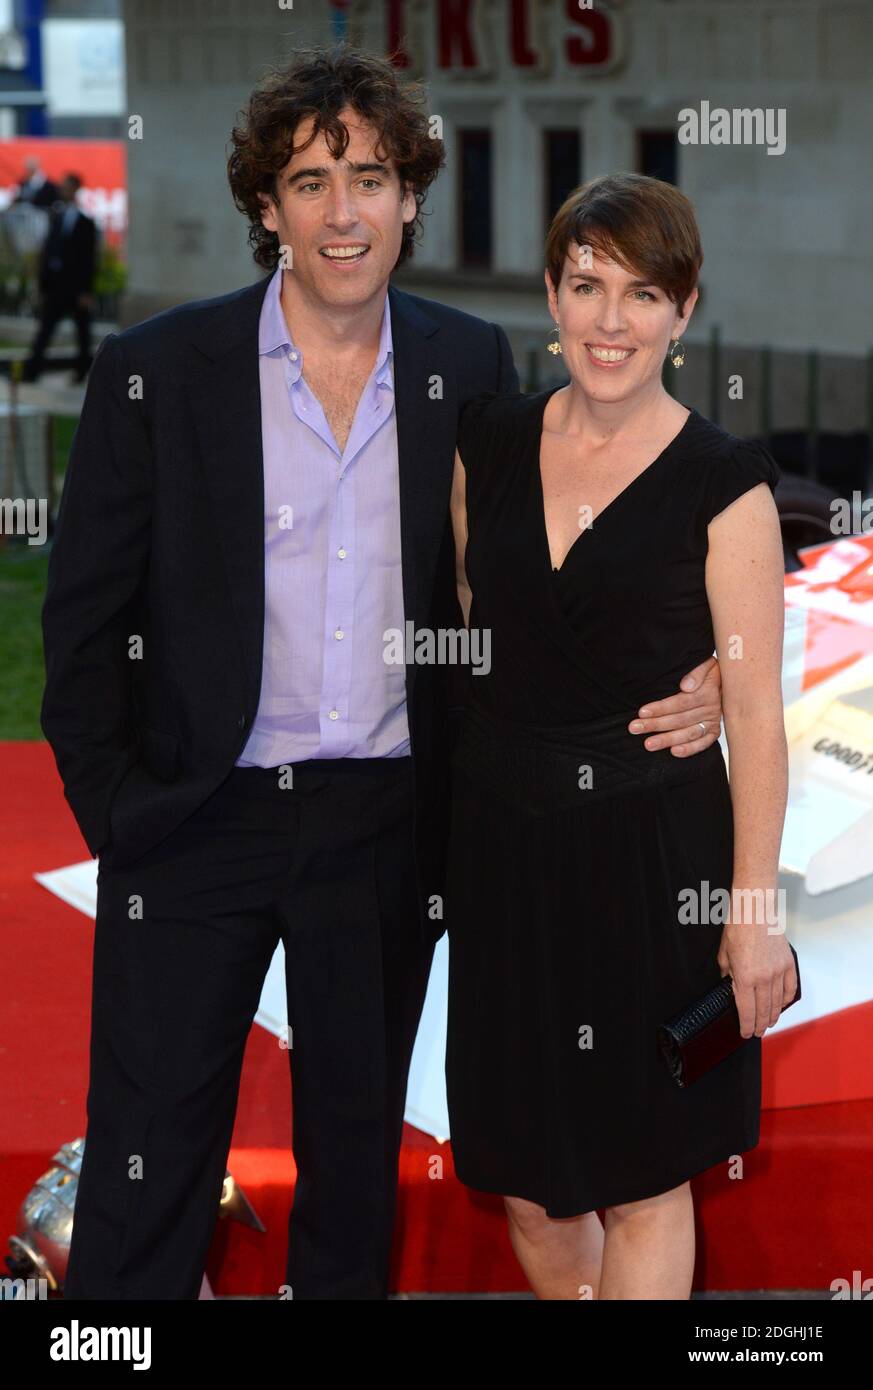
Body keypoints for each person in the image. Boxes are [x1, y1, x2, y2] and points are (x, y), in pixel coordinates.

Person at [42, 48, 727, 1301]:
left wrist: (719, 666)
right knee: (147, 1166)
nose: (343, 212)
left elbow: (572, 560)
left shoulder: (469, 363)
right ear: (268, 207)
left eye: (370, 177)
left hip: (385, 826)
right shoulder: (158, 373)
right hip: (196, 820)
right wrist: (122, 814)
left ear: (411, 195)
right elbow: (81, 626)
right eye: (311, 182)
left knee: (354, 1169)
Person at [445, 172, 796, 1301]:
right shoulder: (485, 445)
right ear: (551, 294)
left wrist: (750, 915)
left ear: (683, 313)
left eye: (643, 294)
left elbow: (753, 714)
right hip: (505, 857)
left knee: (647, 1179)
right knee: (531, 1191)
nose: (611, 321)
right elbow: (470, 630)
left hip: (652, 862)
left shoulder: (725, 487)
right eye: (588, 286)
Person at [22, 173, 97, 384]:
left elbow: (89, 258)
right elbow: (48, 252)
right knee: (45, 331)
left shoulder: (85, 222)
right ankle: (32, 371)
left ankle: (82, 372)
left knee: (82, 334)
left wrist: (86, 290)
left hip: (76, 289)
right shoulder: (56, 217)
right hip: (56, 288)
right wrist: (43, 282)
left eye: (66, 186)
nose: (62, 190)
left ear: (75, 188)